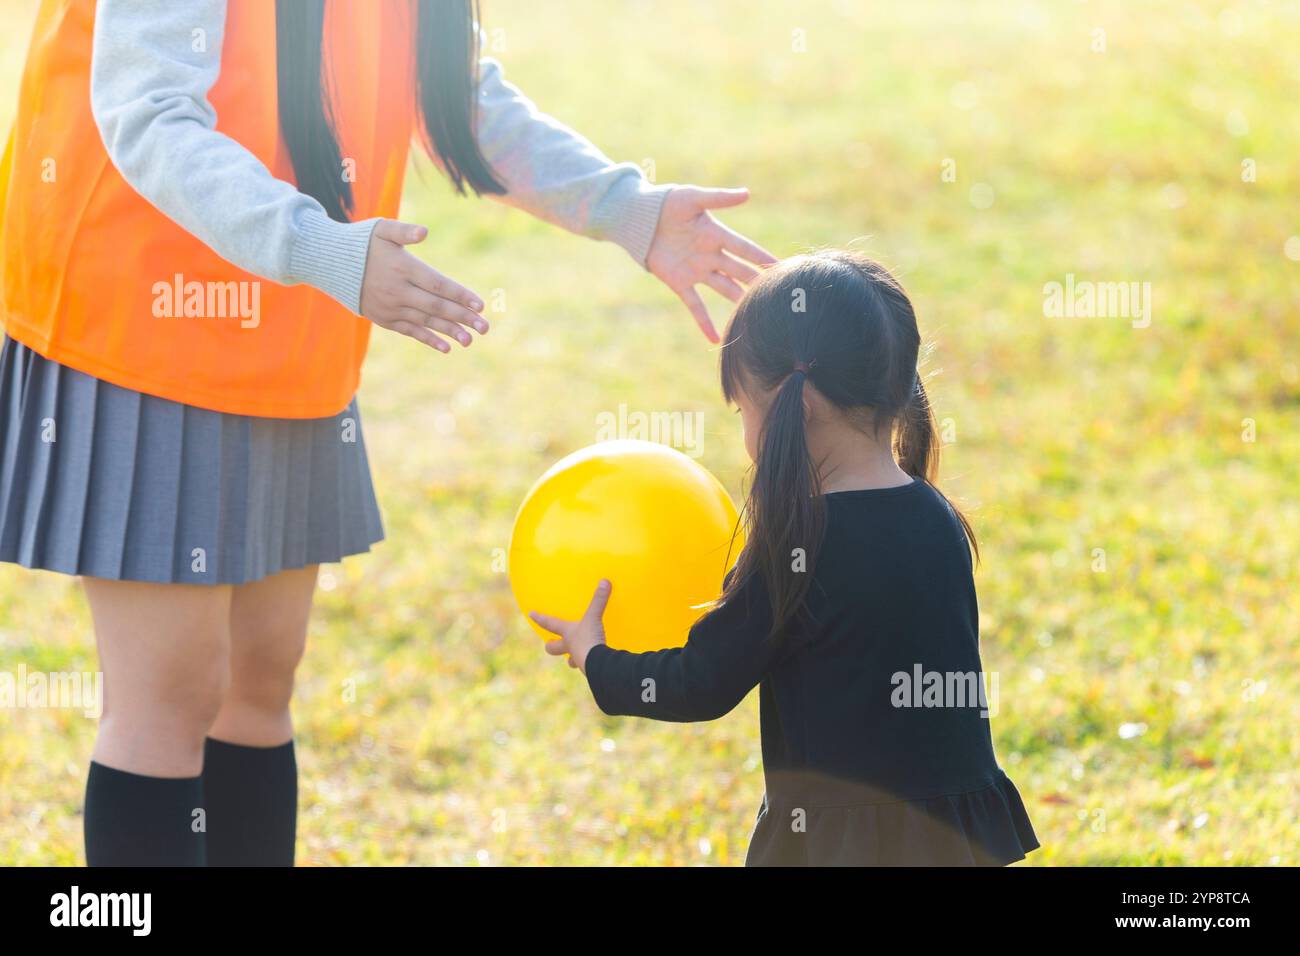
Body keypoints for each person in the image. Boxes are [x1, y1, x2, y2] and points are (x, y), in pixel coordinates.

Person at [0, 0, 774, 866]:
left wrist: (627, 209)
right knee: (170, 701)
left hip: (294, 329)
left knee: (260, 685)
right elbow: (146, 113)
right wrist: (326, 249)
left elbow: (447, 91)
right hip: (142, 320)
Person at [532, 251, 1040, 865]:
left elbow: (702, 683)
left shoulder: (795, 547)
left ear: (795, 410)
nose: (744, 429)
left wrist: (598, 659)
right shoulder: (938, 519)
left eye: (743, 409)